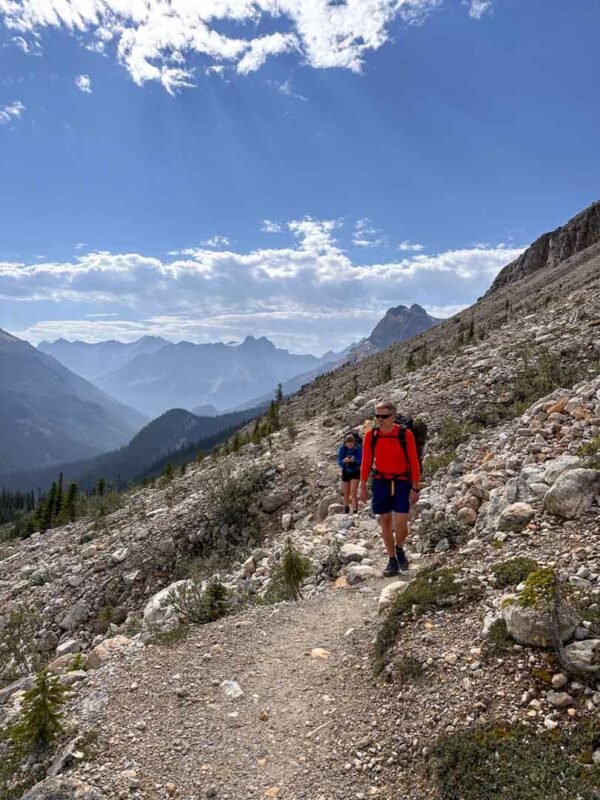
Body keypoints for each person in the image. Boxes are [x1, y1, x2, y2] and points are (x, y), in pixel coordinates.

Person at [359, 400, 420, 576]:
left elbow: (413, 461)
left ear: (393, 416)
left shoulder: (404, 434)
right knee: (385, 522)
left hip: (402, 482)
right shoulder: (372, 435)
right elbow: (366, 461)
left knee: (402, 523)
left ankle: (399, 547)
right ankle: (392, 559)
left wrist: (415, 488)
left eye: (384, 416)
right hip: (381, 481)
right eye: (377, 416)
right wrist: (362, 486)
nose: (380, 419)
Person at [338, 432, 362, 514]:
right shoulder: (343, 449)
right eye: (348, 444)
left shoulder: (358, 449)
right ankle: (346, 509)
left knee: (353, 492)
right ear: (345, 443)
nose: (350, 445)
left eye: (351, 444)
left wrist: (354, 460)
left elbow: (360, 461)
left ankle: (355, 511)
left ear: (354, 442)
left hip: (355, 471)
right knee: (346, 493)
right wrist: (344, 461)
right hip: (346, 471)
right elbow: (339, 462)